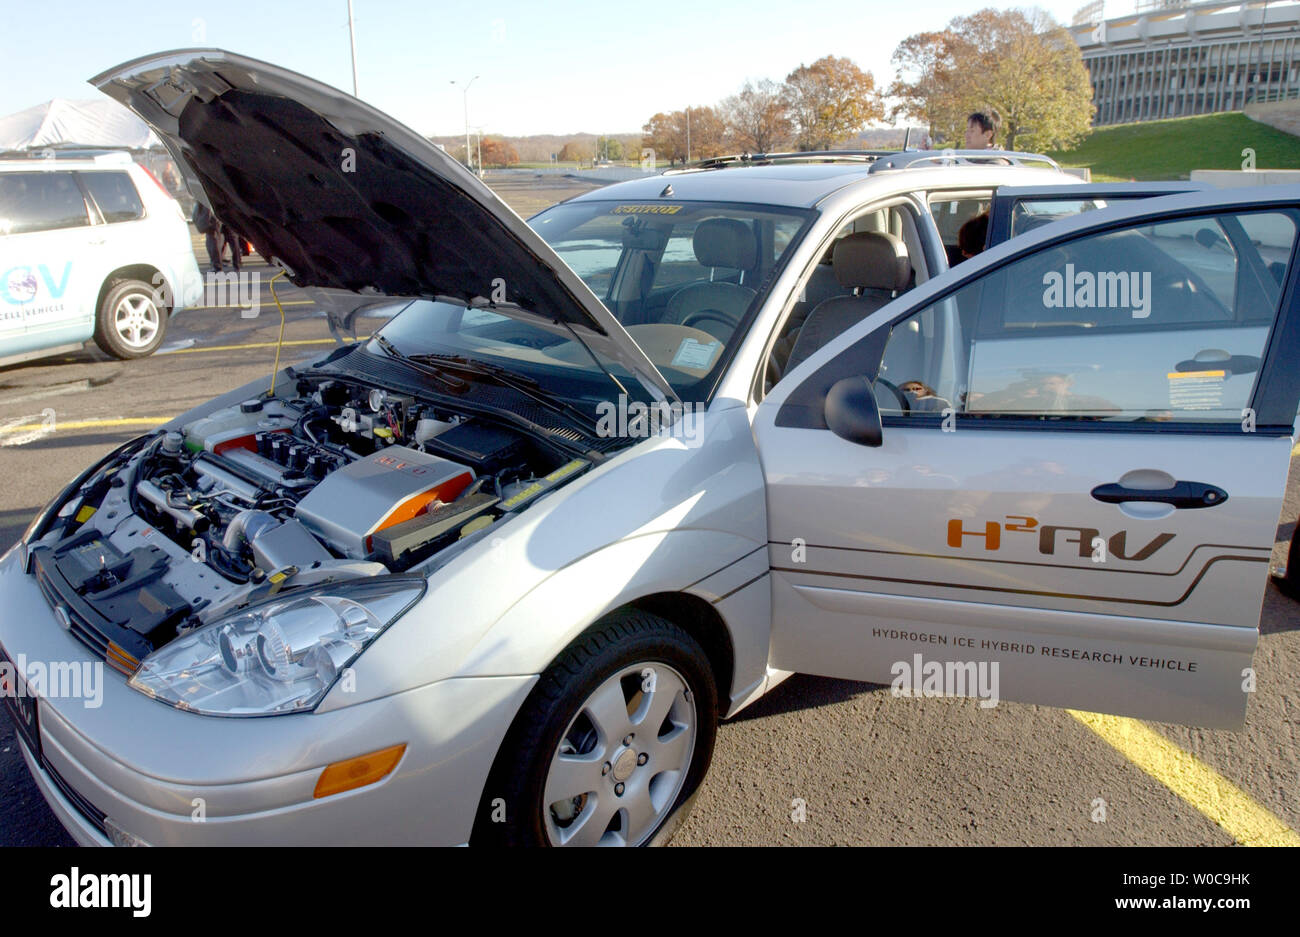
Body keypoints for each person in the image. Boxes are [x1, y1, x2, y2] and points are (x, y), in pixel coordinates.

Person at [192, 201, 226, 273]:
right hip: (212, 223)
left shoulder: (205, 201)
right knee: (213, 244)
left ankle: (217, 266)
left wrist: (207, 223)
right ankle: (216, 265)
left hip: (212, 223)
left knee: (213, 245)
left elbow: (207, 212)